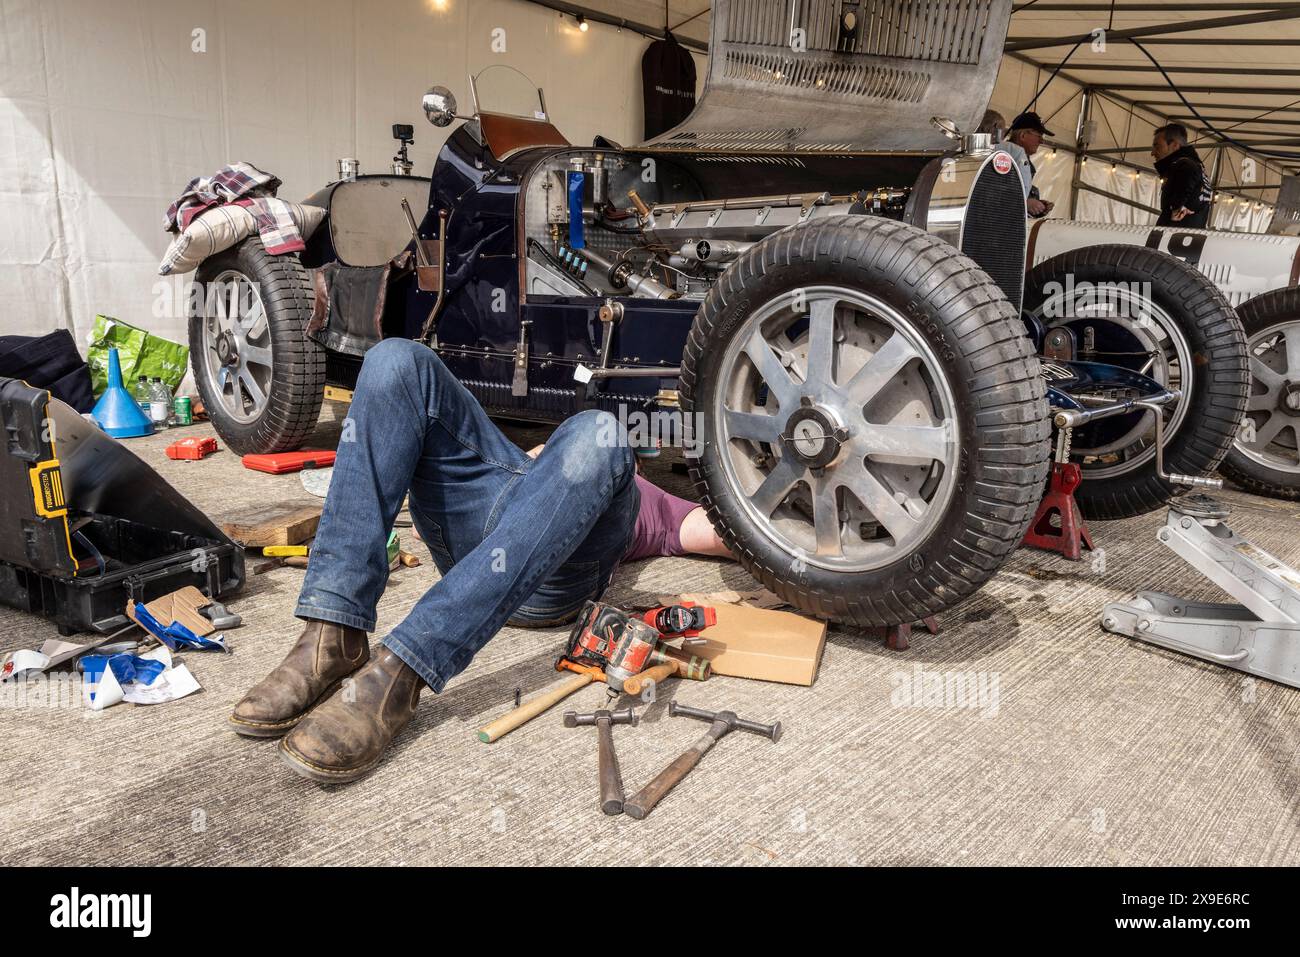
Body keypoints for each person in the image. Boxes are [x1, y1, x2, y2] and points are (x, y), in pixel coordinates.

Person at [228, 338, 730, 783]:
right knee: (397, 359)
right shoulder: (547, 451)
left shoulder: (650, 501)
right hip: (484, 517)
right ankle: (331, 631)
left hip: (545, 581)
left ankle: (402, 670)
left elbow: (730, 532)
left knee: (597, 432)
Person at [1151, 123, 1212, 229]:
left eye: (1157, 146)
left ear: (1174, 145)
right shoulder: (1198, 168)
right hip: (1188, 238)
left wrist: (1176, 207)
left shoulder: (1185, 165)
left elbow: (1188, 174)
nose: (1152, 153)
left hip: (1172, 239)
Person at [1003, 111, 1055, 219]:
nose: (1041, 141)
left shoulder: (1024, 161)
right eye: (1039, 136)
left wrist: (1037, 206)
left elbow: (1019, 193)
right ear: (1023, 135)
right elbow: (996, 193)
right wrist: (1025, 203)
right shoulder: (1004, 157)